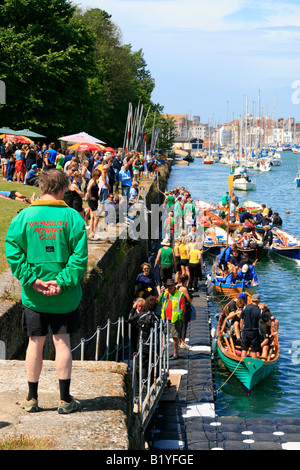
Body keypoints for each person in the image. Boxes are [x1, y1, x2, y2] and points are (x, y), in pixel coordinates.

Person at [5, 169, 88, 414]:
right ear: (64, 189)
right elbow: (80, 258)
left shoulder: (25, 216)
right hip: (65, 296)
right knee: (62, 342)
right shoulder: (73, 218)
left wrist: (32, 280)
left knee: (35, 343)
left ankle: (32, 398)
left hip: (35, 296)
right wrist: (60, 282)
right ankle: (65, 400)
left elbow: (13, 249)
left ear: (41, 188)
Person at [128, 296, 160, 381]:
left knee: (142, 364)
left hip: (143, 344)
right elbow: (160, 331)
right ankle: (152, 382)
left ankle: (142, 383)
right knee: (153, 363)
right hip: (153, 345)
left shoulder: (141, 316)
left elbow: (130, 319)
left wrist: (133, 309)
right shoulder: (158, 318)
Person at [158, 279, 185, 360]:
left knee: (175, 337)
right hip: (165, 318)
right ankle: (162, 353)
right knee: (163, 335)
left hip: (174, 319)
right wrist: (161, 293)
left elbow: (182, 307)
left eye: (171, 286)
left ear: (174, 285)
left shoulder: (180, 294)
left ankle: (175, 354)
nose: (169, 287)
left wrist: (179, 318)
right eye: (168, 286)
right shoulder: (165, 292)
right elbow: (158, 301)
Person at [240, 294, 270, 359]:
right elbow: (267, 322)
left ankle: (242, 363)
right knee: (254, 350)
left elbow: (241, 320)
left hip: (245, 331)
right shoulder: (260, 312)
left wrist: (241, 330)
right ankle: (253, 365)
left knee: (244, 349)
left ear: (252, 300)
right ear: (258, 301)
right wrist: (270, 324)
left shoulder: (245, 308)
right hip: (254, 333)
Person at [176, 274, 193, 349]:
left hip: (178, 308)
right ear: (186, 281)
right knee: (184, 325)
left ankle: (180, 341)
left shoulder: (177, 287)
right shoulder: (184, 289)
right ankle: (183, 342)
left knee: (180, 325)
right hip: (184, 308)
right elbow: (189, 299)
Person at [86, 169, 101, 240]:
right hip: (92, 201)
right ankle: (95, 232)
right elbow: (88, 189)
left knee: (92, 217)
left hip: (95, 201)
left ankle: (91, 233)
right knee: (96, 217)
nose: (99, 177)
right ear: (95, 175)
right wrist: (90, 197)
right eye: (98, 175)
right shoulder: (92, 181)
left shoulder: (94, 181)